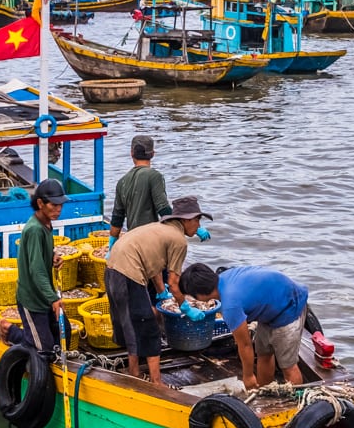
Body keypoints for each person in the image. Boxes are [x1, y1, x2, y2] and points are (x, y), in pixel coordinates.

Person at [104, 196, 211, 384]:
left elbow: (152, 264)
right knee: (149, 328)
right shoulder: (179, 240)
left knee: (130, 323)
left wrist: (162, 292)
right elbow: (174, 282)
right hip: (129, 274)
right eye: (197, 220)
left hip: (112, 270)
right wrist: (185, 308)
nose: (198, 224)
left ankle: (134, 371)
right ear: (186, 220)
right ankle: (156, 382)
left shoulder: (158, 229)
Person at [179, 263, 310, 391]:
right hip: (269, 310)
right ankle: (265, 394)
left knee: (287, 365)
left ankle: (297, 402)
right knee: (264, 353)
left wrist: (248, 376)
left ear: (201, 294)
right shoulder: (224, 277)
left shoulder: (230, 306)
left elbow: (245, 345)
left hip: (290, 305)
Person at [7, 178, 70, 352]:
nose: (58, 209)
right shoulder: (34, 229)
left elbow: (39, 256)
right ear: (40, 203)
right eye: (54, 205)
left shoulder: (46, 224)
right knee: (44, 349)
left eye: (60, 205)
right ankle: (10, 331)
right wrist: (54, 299)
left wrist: (52, 257)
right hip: (32, 300)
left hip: (44, 296)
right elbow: (36, 270)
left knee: (65, 333)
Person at [109, 135, 174, 246]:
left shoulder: (122, 182)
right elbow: (163, 209)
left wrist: (112, 244)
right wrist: (188, 225)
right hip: (150, 240)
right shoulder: (154, 176)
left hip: (132, 240)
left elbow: (117, 218)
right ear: (152, 154)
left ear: (131, 153)